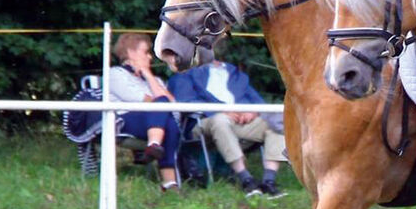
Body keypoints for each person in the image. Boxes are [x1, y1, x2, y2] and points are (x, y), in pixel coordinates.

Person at [167, 38, 289, 198]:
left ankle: (269, 182)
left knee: (276, 122)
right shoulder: (188, 72)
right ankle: (246, 179)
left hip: (240, 122)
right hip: (203, 121)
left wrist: (252, 112)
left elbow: (258, 102)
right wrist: (221, 110)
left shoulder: (235, 73)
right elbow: (185, 101)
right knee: (221, 121)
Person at [108, 32, 182, 191]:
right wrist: (160, 99)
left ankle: (153, 146)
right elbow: (141, 101)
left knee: (168, 121)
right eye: (146, 52)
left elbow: (173, 106)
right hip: (124, 122)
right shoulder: (116, 74)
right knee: (163, 110)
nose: (150, 57)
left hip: (153, 125)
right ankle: (169, 182)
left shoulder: (155, 81)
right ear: (130, 53)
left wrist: (148, 74)